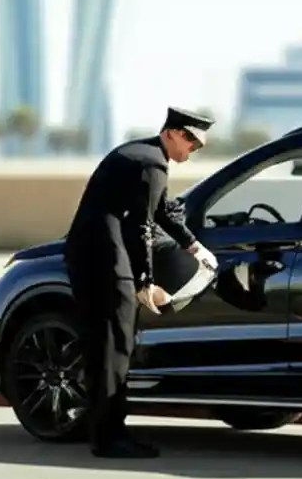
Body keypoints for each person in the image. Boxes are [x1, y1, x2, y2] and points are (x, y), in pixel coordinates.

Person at [64, 106, 217, 458]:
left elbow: (160, 211)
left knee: (106, 346)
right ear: (172, 133)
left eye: (198, 146)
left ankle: (103, 431)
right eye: (190, 142)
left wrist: (194, 246)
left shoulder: (142, 154)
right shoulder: (151, 163)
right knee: (114, 348)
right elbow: (142, 227)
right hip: (105, 260)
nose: (192, 150)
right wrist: (145, 281)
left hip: (93, 256)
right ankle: (109, 438)